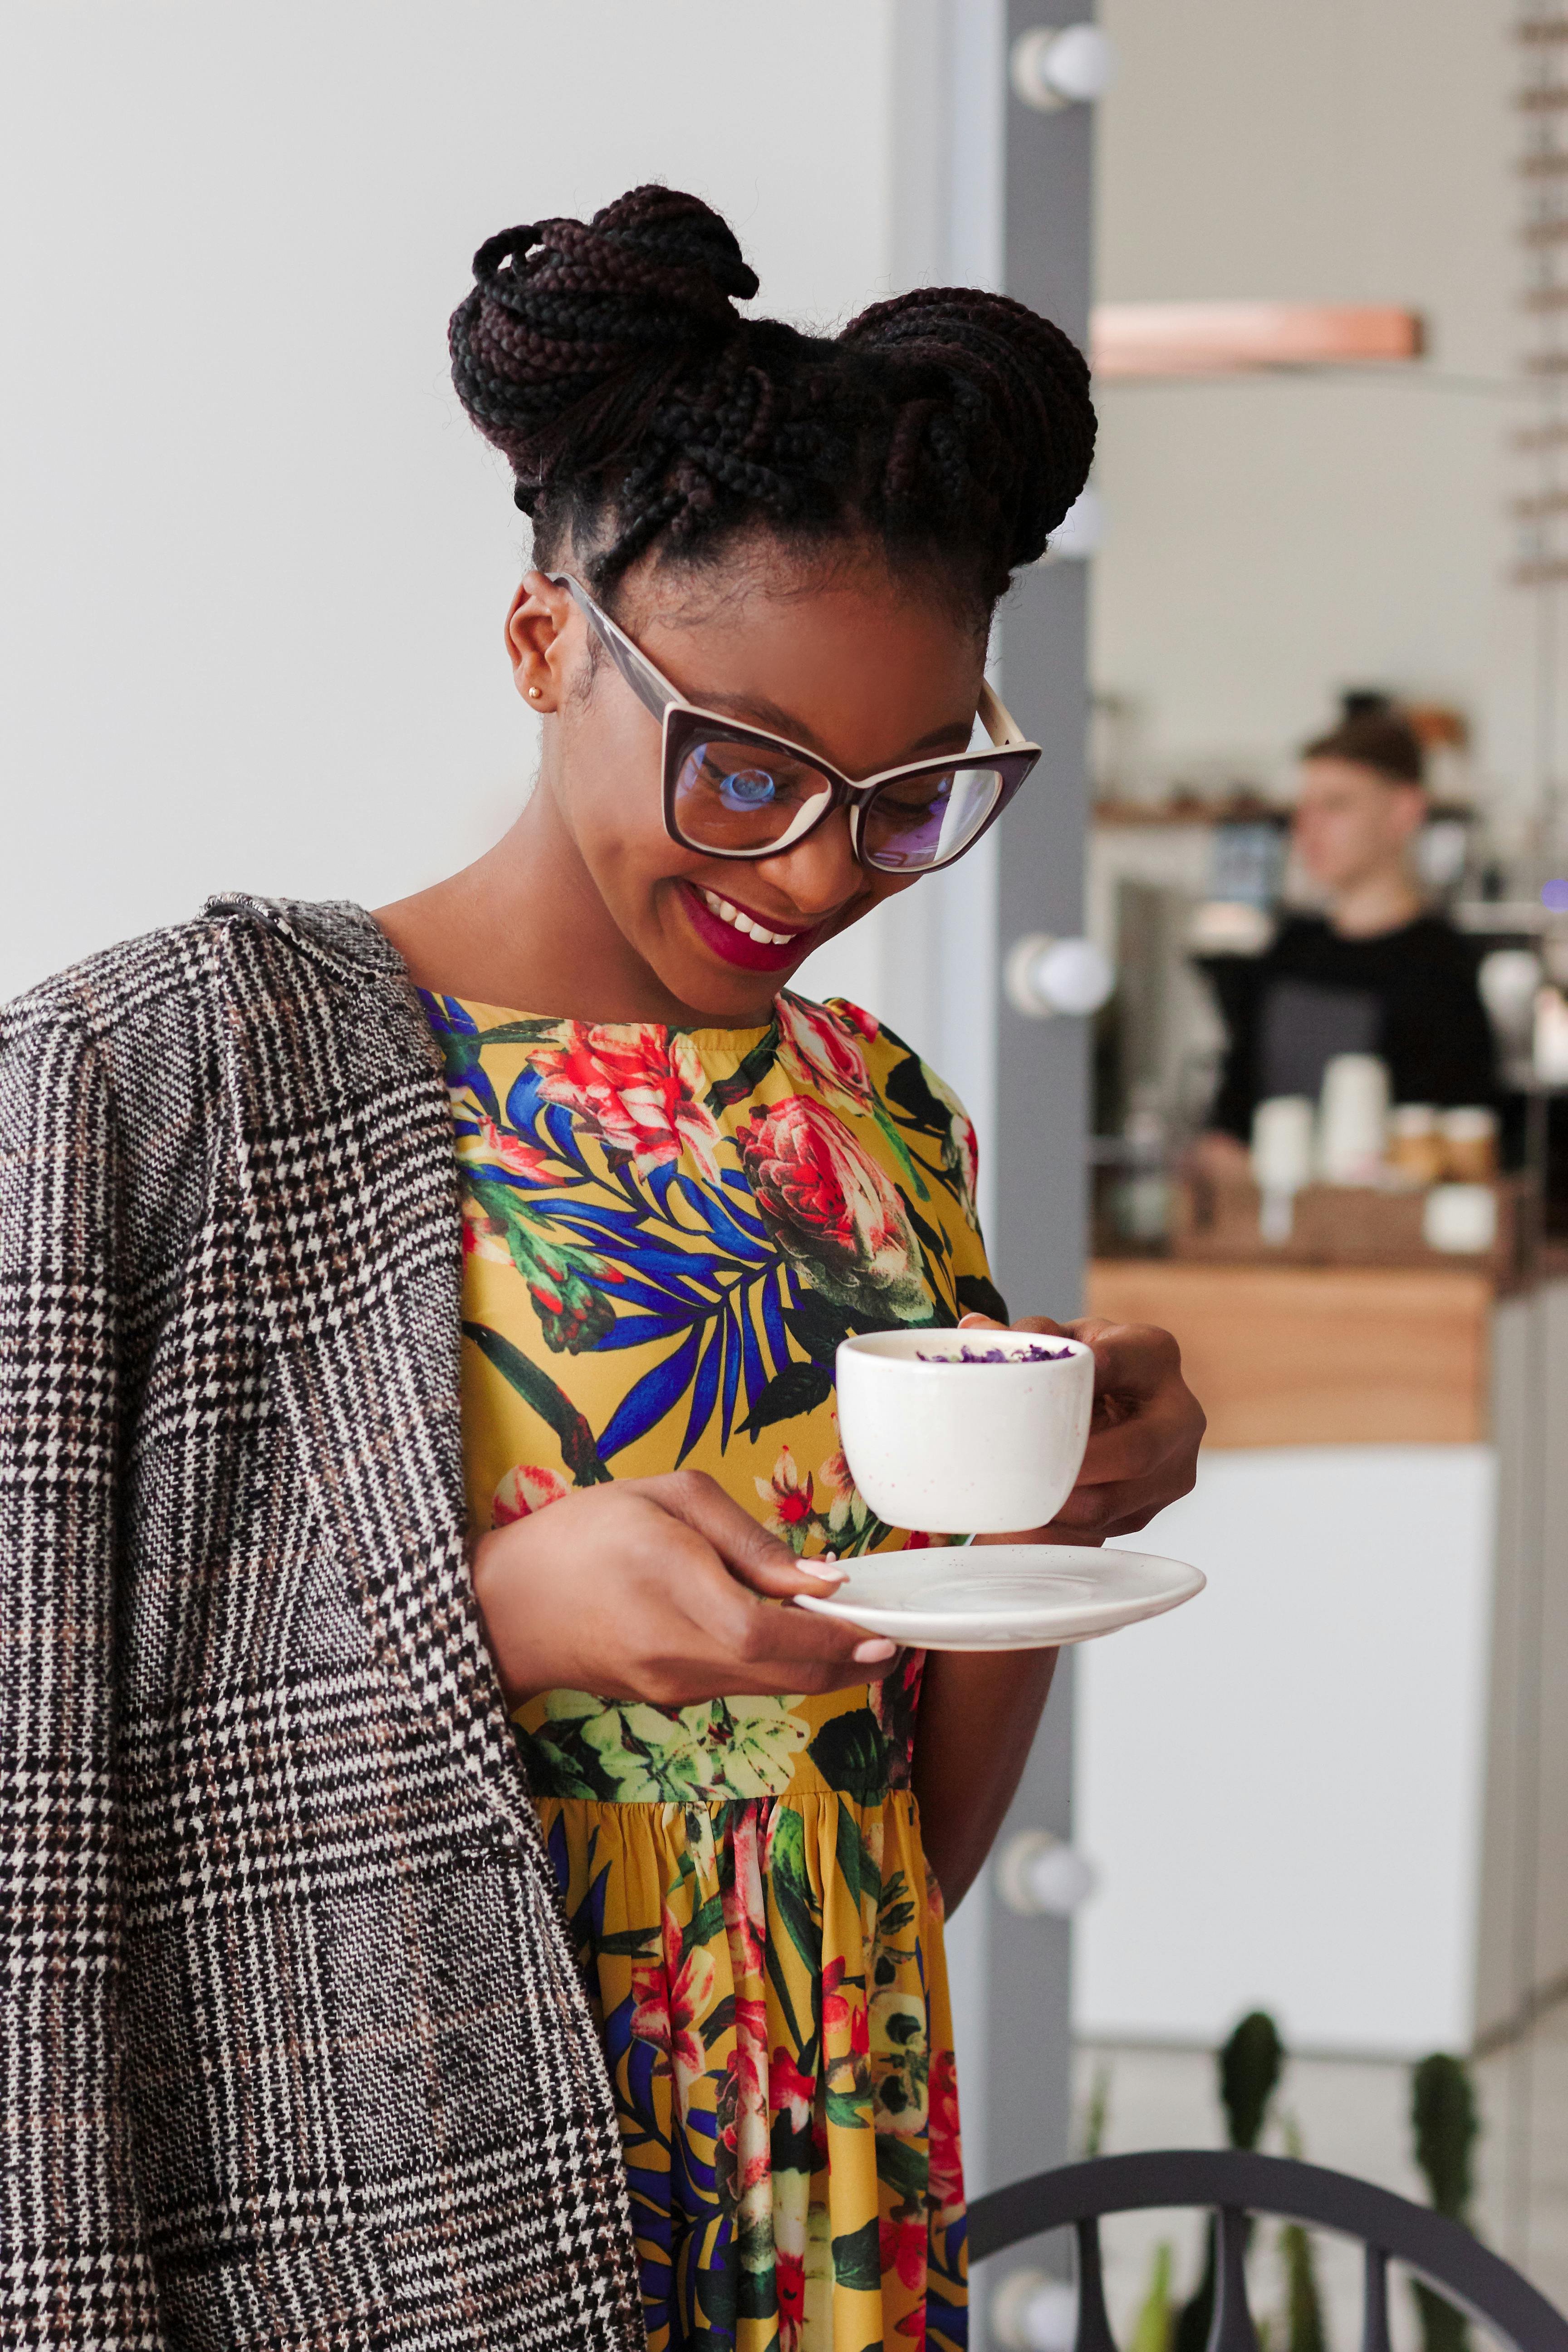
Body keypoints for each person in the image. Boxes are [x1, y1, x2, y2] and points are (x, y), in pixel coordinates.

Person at [1, 186, 1204, 2352]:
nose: (818, 869)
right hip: (410, 2193)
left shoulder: (876, 1116)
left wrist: (1041, 1503)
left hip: (832, 2148)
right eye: (745, 766)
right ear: (547, 640)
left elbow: (896, 1811)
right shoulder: (172, 1079)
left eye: (908, 794)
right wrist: (494, 1620)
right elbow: (39, 1732)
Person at [1198, 702, 1497, 1165]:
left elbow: (1455, 1141)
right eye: (1304, 808)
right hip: (1263, 1223)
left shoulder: (1441, 965)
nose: (1306, 828)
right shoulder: (1290, 948)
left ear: (1404, 811)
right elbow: (1235, 1104)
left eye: (1336, 805)